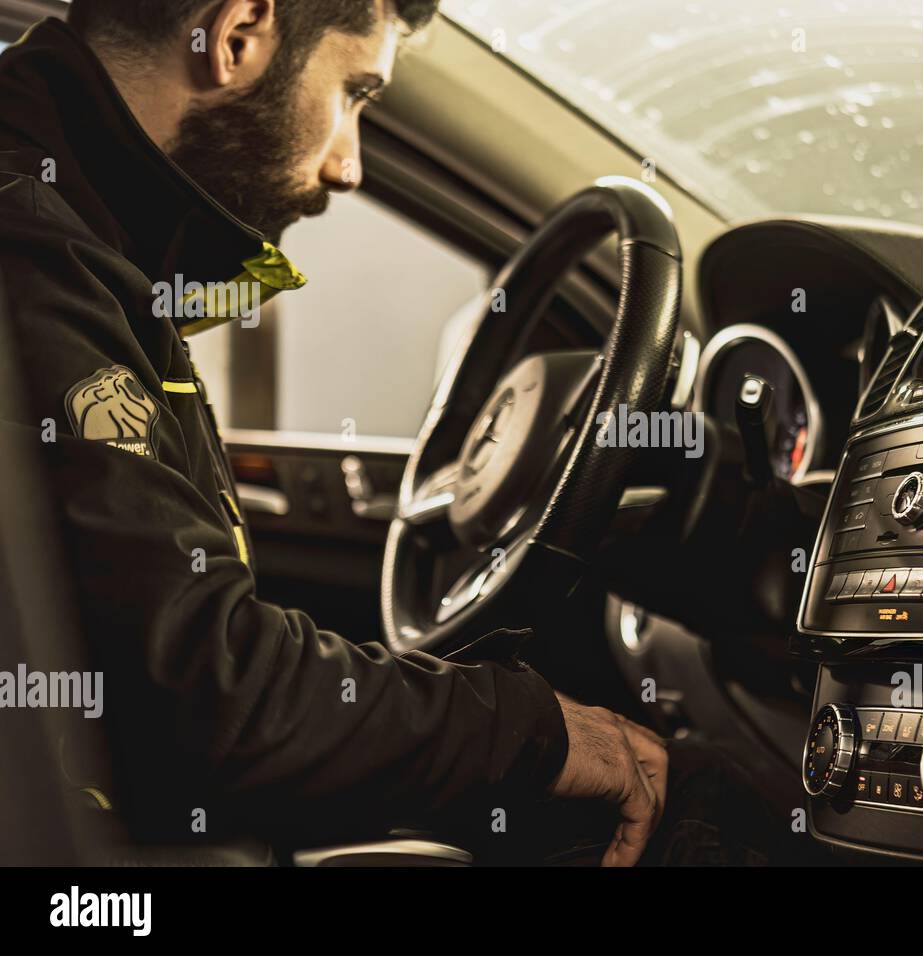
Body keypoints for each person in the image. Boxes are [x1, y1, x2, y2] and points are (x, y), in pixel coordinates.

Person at [0, 0, 670, 866]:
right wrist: (533, 729)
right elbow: (199, 689)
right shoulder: (32, 249)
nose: (351, 164)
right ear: (238, 33)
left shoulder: (93, 242)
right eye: (356, 91)